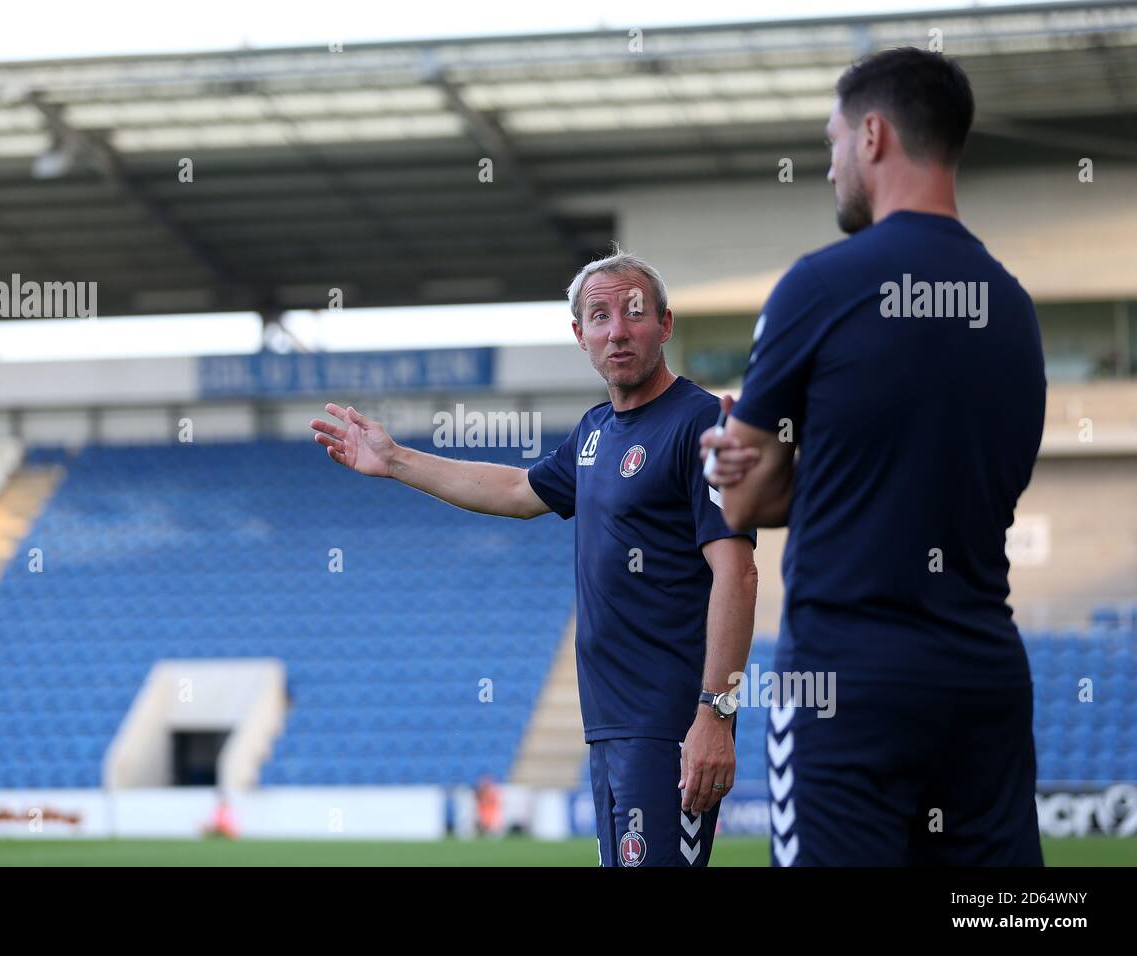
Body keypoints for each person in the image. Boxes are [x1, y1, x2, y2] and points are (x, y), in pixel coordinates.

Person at [701, 48, 1046, 866]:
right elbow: (942, 481)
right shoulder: (1015, 310)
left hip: (845, 682)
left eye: (829, 145)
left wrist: (761, 449)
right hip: (984, 678)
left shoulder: (818, 287)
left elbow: (744, 506)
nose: (827, 169)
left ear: (873, 135)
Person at [312, 251, 757, 866]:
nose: (617, 331)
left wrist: (716, 714)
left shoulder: (700, 421)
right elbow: (517, 492)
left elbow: (737, 569)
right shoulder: (594, 431)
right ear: (580, 335)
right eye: (598, 317)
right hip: (608, 725)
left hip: (668, 725)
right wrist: (394, 461)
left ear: (665, 324)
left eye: (633, 313)